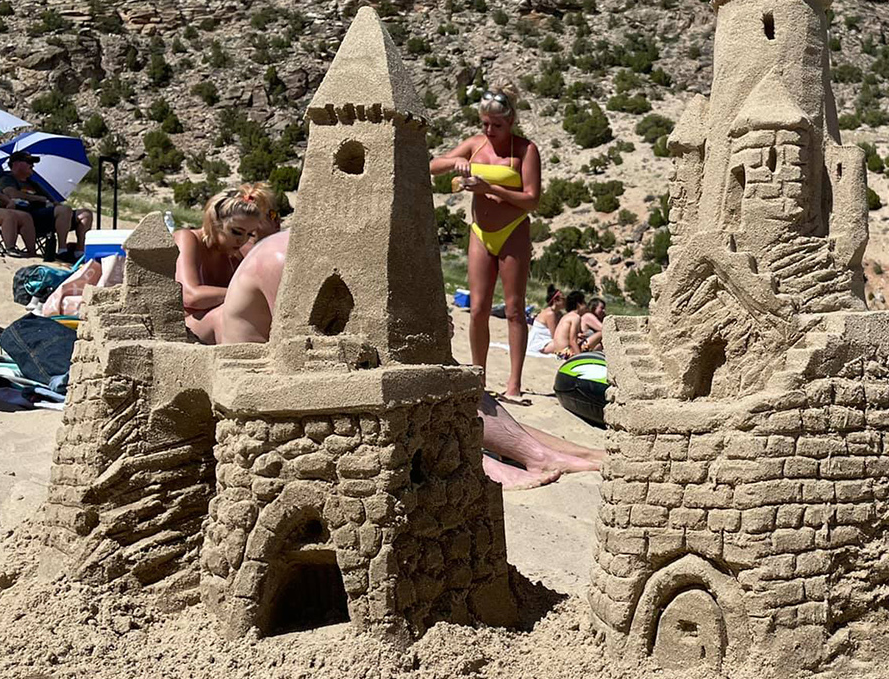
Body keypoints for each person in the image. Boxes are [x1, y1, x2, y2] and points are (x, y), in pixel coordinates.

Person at [213, 244, 602, 489]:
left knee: (458, 390)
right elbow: (308, 342)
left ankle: (562, 454)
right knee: (416, 399)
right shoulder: (287, 259)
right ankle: (487, 462)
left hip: (308, 371)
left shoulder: (326, 254)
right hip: (269, 387)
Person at [430, 83, 542, 401]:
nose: (490, 130)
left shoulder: (525, 150)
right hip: (480, 232)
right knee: (478, 308)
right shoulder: (475, 144)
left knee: (514, 309)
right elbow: (433, 166)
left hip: (513, 231)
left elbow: (532, 199)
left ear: (511, 122)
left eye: (497, 125)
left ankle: (514, 385)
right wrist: (456, 164)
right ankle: (478, 379)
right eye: (485, 124)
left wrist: (490, 189)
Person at [173, 183, 281, 344]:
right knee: (225, 315)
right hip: (184, 330)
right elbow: (191, 296)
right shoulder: (188, 238)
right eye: (236, 232)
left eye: (249, 234)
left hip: (214, 328)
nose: (242, 240)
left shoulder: (236, 254)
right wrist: (244, 295)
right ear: (215, 222)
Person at [0, 151, 92, 261]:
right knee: (64, 210)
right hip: (29, 216)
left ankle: (79, 252)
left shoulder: (34, 184)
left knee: (85, 214)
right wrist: (38, 199)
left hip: (48, 215)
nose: (32, 165)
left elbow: (52, 201)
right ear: (16, 164)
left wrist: (53, 203)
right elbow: (12, 193)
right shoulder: (7, 179)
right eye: (29, 162)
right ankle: (62, 250)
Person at [548, 290, 586, 359]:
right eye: (584, 302)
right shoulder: (576, 317)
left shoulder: (567, 316)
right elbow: (573, 341)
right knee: (598, 335)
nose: (586, 305)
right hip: (566, 353)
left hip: (557, 351)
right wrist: (580, 358)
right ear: (578, 304)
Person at [527, 285, 563, 356]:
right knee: (562, 344)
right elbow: (554, 335)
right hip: (539, 342)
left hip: (547, 340)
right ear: (556, 300)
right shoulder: (550, 314)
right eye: (563, 299)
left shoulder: (559, 313)